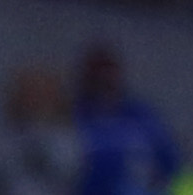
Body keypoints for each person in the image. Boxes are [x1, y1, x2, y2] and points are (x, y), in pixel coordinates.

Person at [74, 47, 179, 195]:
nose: (104, 80)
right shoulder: (73, 115)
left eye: (109, 75)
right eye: (98, 75)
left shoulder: (141, 117)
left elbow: (171, 163)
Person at [0, 68, 84, 195]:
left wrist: (38, 136)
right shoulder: (0, 141)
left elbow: (67, 168)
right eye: (29, 94)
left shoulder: (66, 139)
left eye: (40, 95)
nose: (33, 101)